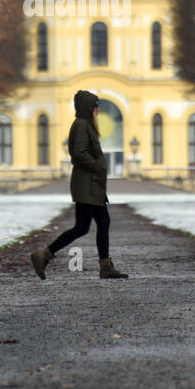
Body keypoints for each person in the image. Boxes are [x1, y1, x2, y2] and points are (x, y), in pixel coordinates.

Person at [30, 90, 129, 280]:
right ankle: (43, 254)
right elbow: (79, 154)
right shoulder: (82, 125)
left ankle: (105, 266)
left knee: (100, 222)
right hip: (87, 185)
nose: (98, 110)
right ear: (87, 108)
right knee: (82, 227)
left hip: (91, 185)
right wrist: (98, 165)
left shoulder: (84, 125)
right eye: (96, 106)